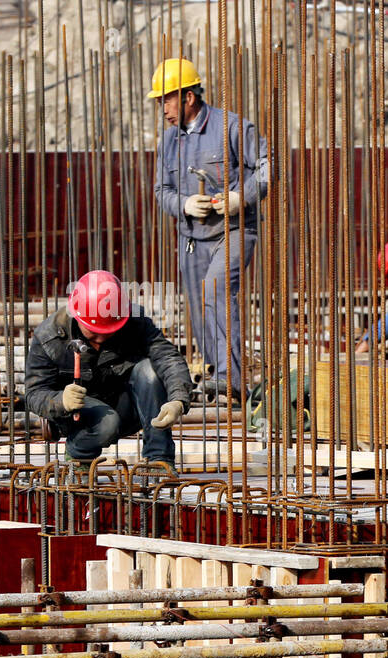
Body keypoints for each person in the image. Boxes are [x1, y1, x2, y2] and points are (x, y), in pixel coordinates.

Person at [150, 57, 269, 403]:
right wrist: (185, 204)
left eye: (166, 99)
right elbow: (162, 191)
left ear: (188, 96)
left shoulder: (232, 127)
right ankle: (220, 376)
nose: (163, 108)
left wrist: (239, 197)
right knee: (200, 306)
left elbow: (266, 167)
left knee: (215, 288)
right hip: (192, 238)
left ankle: (230, 379)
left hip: (233, 230)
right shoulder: (169, 141)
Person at [24, 270, 193, 466]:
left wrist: (178, 400)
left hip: (124, 407)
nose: (101, 338)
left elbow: (168, 358)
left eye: (109, 331)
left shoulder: (134, 322)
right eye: (94, 332)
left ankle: (159, 460)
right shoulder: (49, 336)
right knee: (107, 422)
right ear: (78, 317)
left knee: (149, 370)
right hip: (79, 418)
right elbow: (33, 393)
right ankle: (79, 456)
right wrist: (61, 401)